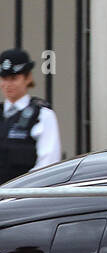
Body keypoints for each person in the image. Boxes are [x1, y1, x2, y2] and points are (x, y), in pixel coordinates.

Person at [0, 48, 61, 181]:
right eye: (4, 78)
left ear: (27, 78)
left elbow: (48, 162)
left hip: (25, 190)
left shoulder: (42, 114)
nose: (8, 84)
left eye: (14, 78)